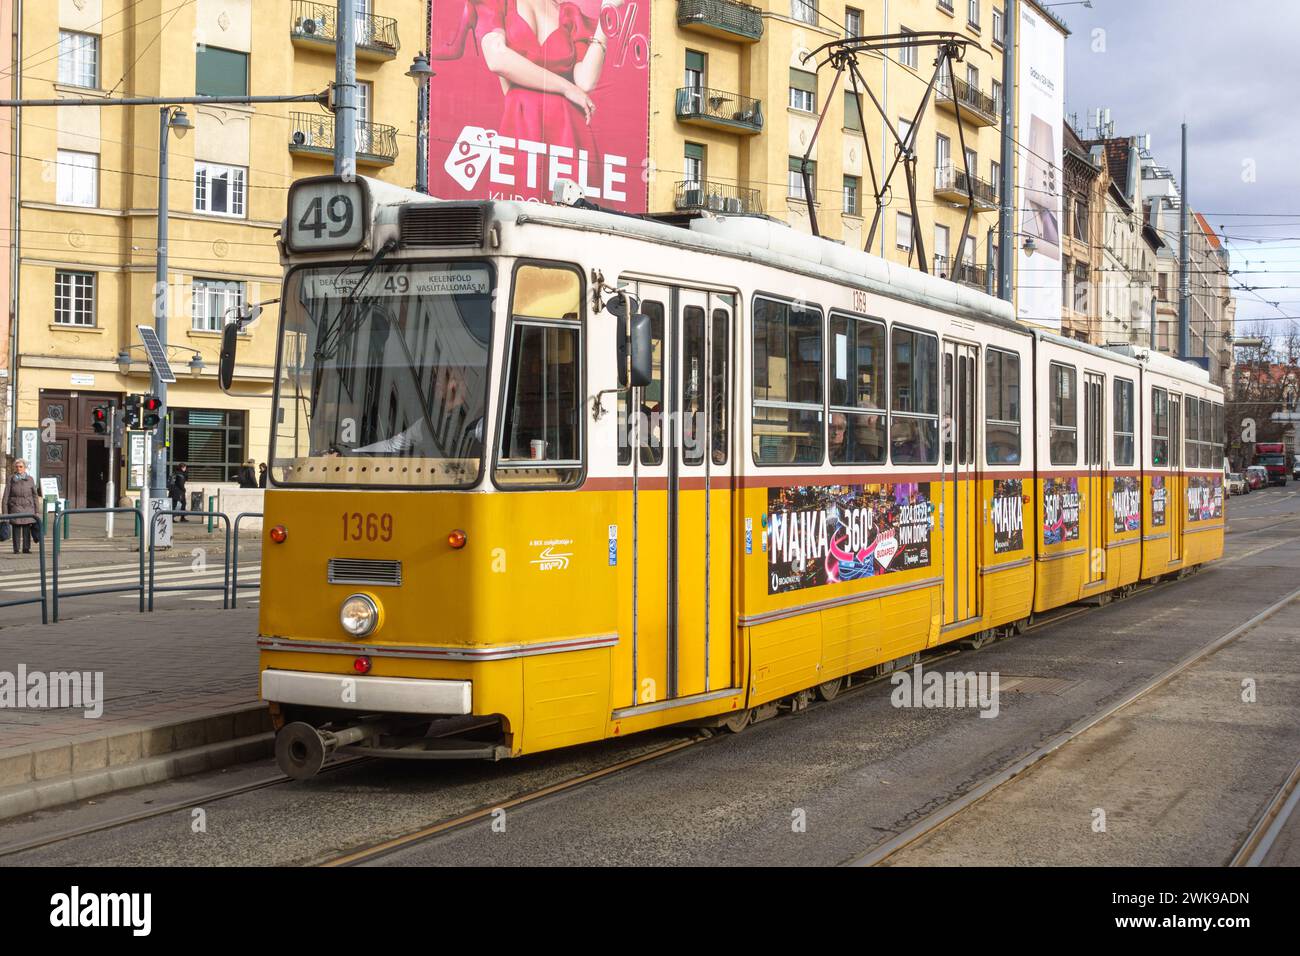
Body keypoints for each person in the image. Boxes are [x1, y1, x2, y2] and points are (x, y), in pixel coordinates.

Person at [2, 459, 39, 554]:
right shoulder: (11, 478)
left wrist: (37, 511)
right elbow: (6, 496)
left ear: (25, 468)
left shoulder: (30, 479)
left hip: (28, 508)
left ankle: (26, 548)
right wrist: (5, 513)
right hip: (15, 507)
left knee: (27, 528)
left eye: (21, 466)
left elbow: (35, 495)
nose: (19, 468)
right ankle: (16, 549)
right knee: (16, 528)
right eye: (17, 466)